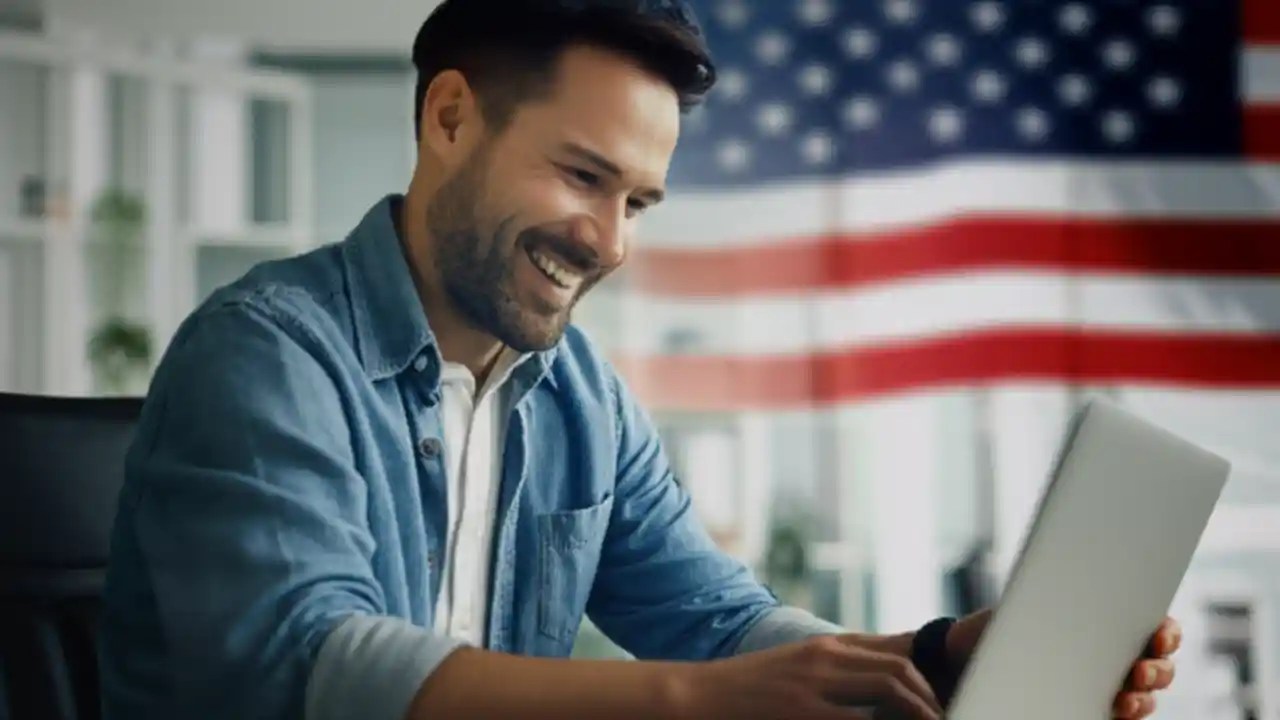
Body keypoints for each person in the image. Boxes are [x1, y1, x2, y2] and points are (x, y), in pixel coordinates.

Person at [99, 1, 1181, 718]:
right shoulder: (265, 354)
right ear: (449, 117)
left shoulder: (578, 397)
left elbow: (719, 621)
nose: (608, 241)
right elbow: (315, 664)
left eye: (637, 202)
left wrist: (934, 657)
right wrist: (694, 703)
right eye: (580, 175)